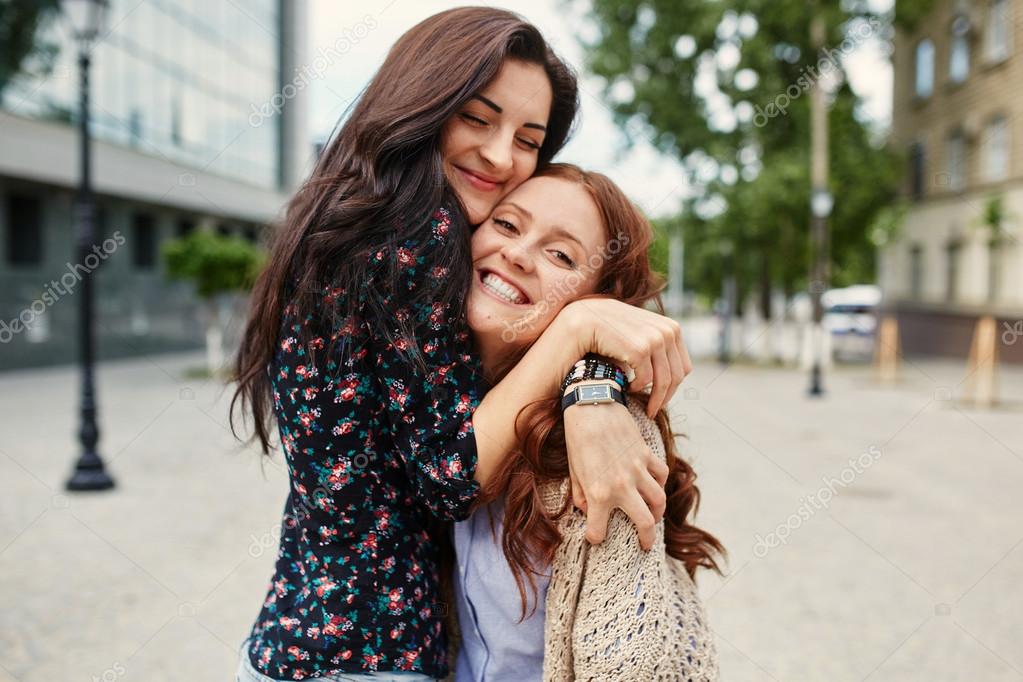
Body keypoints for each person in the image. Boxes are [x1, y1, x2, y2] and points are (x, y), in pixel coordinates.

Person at [231, 8, 691, 681]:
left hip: (293, 643)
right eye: (477, 118)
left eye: (529, 139)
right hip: (363, 661)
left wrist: (591, 384)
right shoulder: (408, 240)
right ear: (423, 103)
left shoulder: (346, 223)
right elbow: (449, 476)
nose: (502, 155)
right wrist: (575, 331)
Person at [451, 164, 725, 681]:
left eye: (561, 254)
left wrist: (593, 384)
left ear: (600, 301)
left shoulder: (599, 435)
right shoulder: (430, 388)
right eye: (507, 224)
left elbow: (628, 659)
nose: (516, 253)